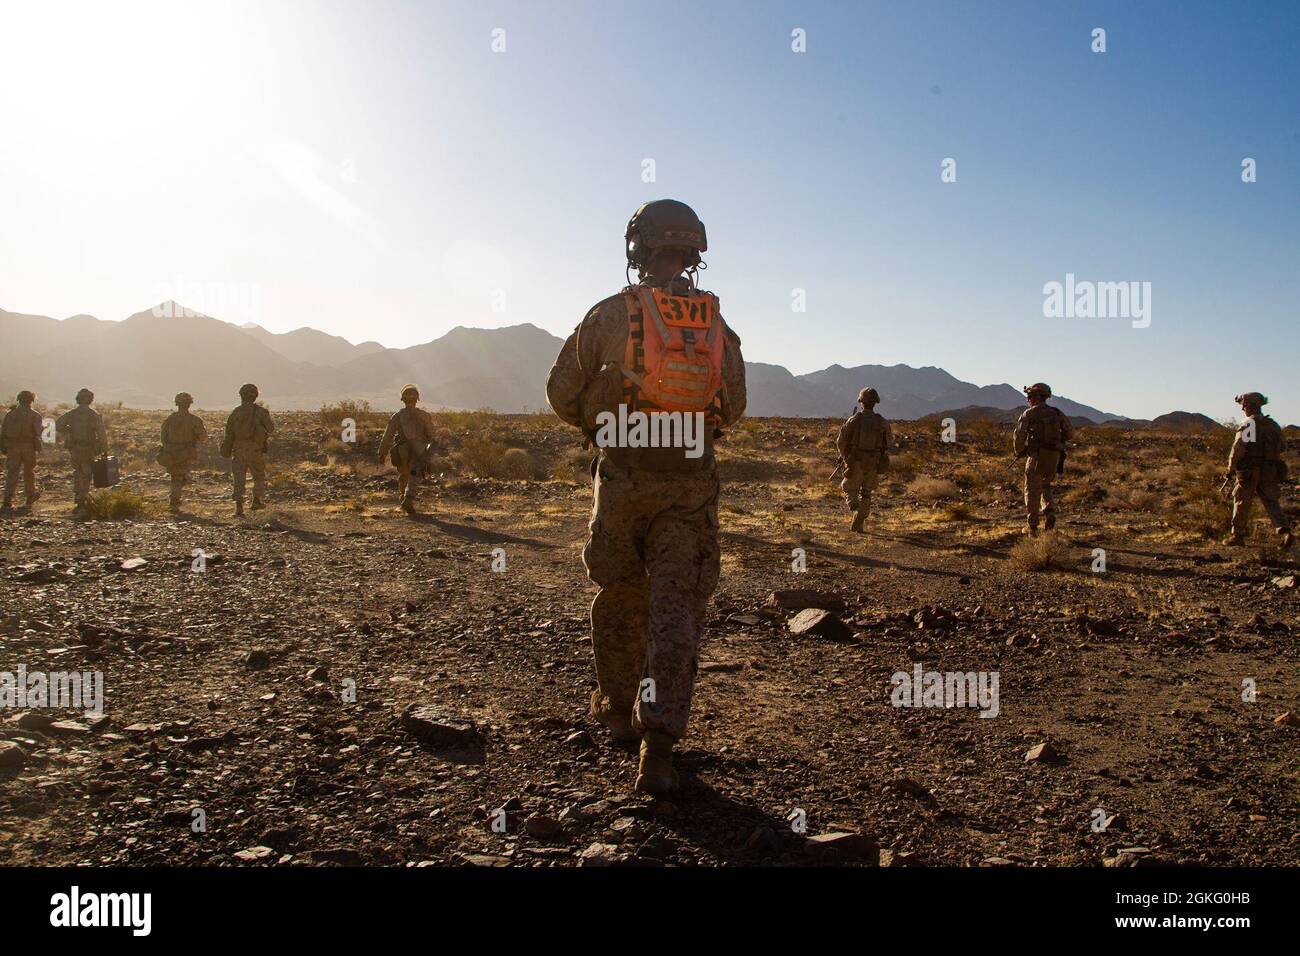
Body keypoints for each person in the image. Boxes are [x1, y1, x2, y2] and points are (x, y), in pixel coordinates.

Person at [546, 199, 747, 794]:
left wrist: (604, 421)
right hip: (689, 483)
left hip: (622, 481)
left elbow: (561, 391)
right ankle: (657, 748)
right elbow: (731, 407)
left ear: (638, 248)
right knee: (676, 609)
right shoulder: (716, 326)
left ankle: (615, 713)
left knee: (620, 595)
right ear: (693, 253)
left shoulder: (610, 314)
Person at [1225, 391, 1292, 549]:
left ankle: (1237, 535)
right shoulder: (1273, 425)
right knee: (1271, 501)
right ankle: (1284, 530)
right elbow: (1283, 446)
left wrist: (1230, 468)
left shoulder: (1250, 424)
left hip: (1249, 471)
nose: (1242, 409)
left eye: (1244, 405)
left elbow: (1239, 448)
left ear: (1250, 406)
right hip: (1269, 470)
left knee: (1241, 500)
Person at [1012, 383, 1073, 536]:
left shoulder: (1029, 414)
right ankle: (1049, 512)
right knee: (1045, 486)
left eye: (1029, 397)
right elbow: (1070, 433)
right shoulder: (1057, 413)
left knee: (1032, 490)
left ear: (1034, 397)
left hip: (1036, 457)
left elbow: (1019, 437)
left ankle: (1032, 527)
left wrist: (1020, 451)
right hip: (1053, 457)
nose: (1028, 400)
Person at [836, 387, 892, 532]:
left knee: (848, 488)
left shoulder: (854, 420)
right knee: (866, 492)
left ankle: (856, 511)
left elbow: (841, 442)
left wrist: (845, 458)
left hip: (856, 462)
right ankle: (860, 520)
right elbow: (889, 441)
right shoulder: (882, 422)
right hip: (874, 462)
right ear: (875, 403)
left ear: (861, 402)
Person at [377, 384, 438, 513]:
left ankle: (402, 498)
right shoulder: (424, 415)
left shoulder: (397, 416)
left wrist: (382, 453)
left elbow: (387, 436)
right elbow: (432, 434)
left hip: (402, 450)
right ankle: (408, 499)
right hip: (420, 449)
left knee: (404, 474)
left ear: (403, 399)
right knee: (416, 475)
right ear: (417, 399)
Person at [221, 383, 274, 516]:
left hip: (239, 449)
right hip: (255, 449)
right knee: (258, 475)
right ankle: (256, 500)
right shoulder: (262, 412)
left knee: (239, 477)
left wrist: (226, 449)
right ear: (255, 396)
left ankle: (239, 507)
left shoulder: (236, 412)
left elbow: (229, 433)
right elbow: (271, 429)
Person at [56, 388, 108, 517]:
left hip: (74, 448)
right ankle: (82, 500)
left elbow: (58, 425)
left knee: (77, 472)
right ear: (90, 399)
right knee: (86, 472)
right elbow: (101, 433)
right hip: (87, 448)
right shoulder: (93, 415)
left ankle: (78, 497)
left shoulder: (71, 414)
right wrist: (105, 449)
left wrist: (68, 432)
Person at [159, 392, 208, 513]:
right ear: (189, 404)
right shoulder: (194, 420)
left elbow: (163, 437)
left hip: (171, 453)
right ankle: (174, 501)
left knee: (177, 476)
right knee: (179, 477)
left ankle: (174, 499)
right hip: (186, 453)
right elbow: (203, 437)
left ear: (177, 403)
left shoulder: (170, 419)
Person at [1, 390, 44, 513]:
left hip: (12, 446)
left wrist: (3, 447)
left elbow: (3, 432)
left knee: (12, 473)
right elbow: (37, 432)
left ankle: (7, 499)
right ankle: (30, 496)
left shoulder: (10, 414)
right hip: (28, 447)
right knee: (28, 472)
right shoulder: (35, 415)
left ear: (19, 399)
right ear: (31, 400)